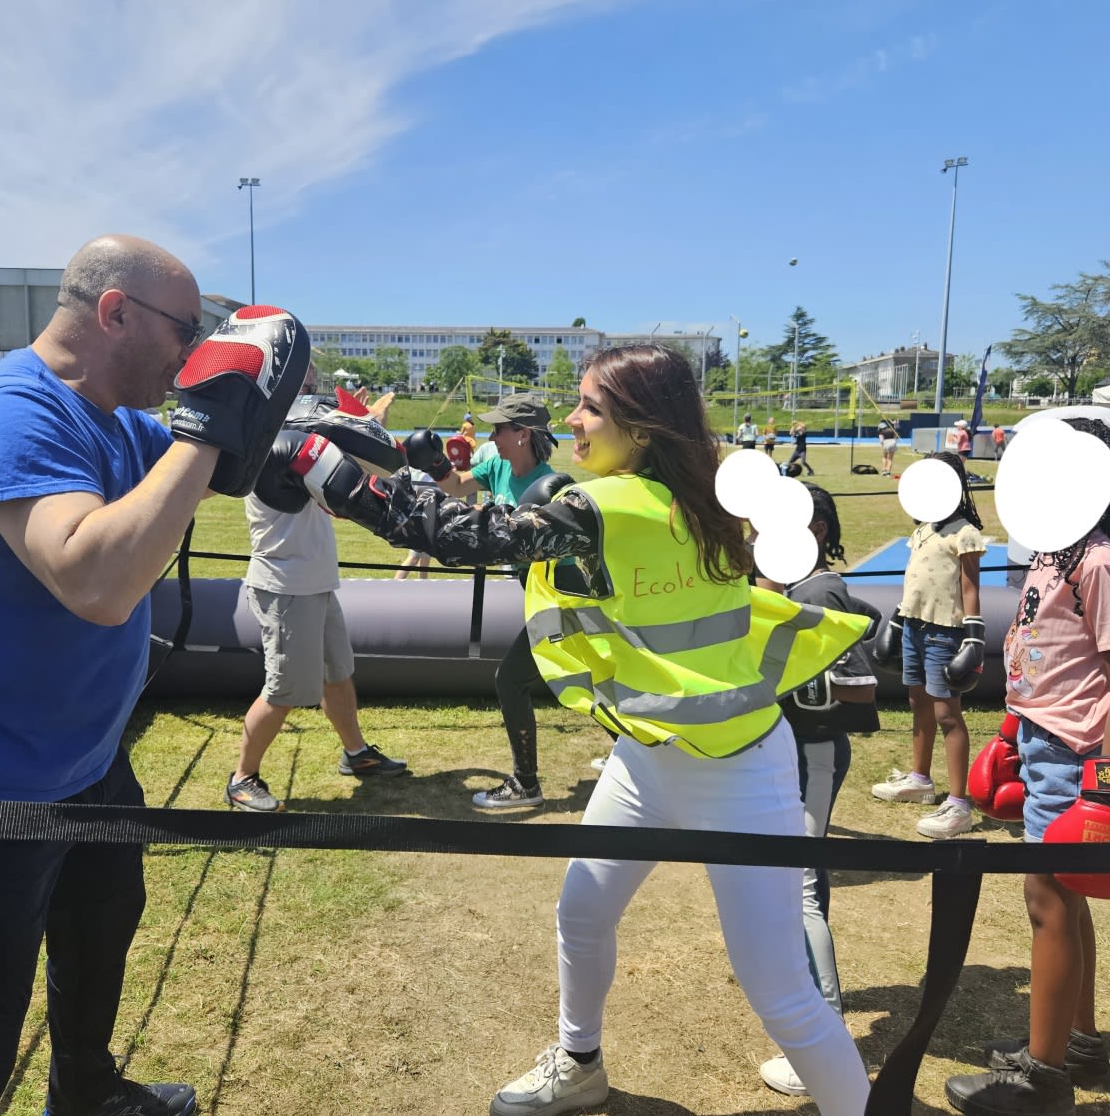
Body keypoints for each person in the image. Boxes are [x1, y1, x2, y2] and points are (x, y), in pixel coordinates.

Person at [264, 342, 874, 1115]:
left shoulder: (612, 505)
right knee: (582, 911)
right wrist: (404, 462)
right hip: (652, 755)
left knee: (782, 992)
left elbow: (467, 536)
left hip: (737, 770)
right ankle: (579, 1062)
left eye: (589, 405)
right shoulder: (699, 497)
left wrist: (329, 471)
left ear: (643, 428)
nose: (570, 419)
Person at [0, 235, 309, 1116]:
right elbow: (96, 581)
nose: (192, 357)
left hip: (85, 759)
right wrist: (208, 420)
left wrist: (322, 454)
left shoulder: (110, 417)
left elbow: (218, 471)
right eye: (187, 331)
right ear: (115, 313)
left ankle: (85, 1094)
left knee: (100, 933)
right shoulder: (12, 413)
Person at [946, 417, 1110, 1116]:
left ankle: (1042, 1077)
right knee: (1067, 900)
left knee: (1047, 901)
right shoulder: (1051, 553)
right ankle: (1079, 1042)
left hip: (1085, 755)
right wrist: (1012, 729)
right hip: (1046, 742)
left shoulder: (1098, 562)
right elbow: (1038, 652)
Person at [224, 363, 409, 814]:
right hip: (287, 588)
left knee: (338, 674)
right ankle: (242, 777)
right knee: (284, 689)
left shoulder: (300, 439)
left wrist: (362, 424)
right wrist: (366, 428)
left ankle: (356, 753)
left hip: (314, 583)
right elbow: (347, 482)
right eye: (303, 385)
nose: (311, 393)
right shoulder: (275, 447)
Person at [753, 484, 881, 1098]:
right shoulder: (788, 585)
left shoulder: (820, 590)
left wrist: (792, 677)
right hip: (786, 752)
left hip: (813, 753)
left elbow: (859, 691)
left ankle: (826, 1037)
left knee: (802, 884)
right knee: (798, 879)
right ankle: (809, 1007)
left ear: (818, 531)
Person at [418, 392, 569, 808]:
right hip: (541, 598)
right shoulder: (498, 465)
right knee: (595, 681)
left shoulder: (548, 487)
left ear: (522, 434)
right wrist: (434, 461)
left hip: (564, 600)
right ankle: (641, 760)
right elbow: (454, 485)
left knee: (511, 679)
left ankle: (526, 785)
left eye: (500, 428)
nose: (492, 434)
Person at [870, 451, 986, 838]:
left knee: (947, 714)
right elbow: (915, 582)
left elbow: (970, 586)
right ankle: (920, 779)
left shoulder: (965, 532)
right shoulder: (922, 529)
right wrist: (898, 619)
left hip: (945, 633)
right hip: (915, 628)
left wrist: (973, 634)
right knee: (916, 702)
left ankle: (957, 804)